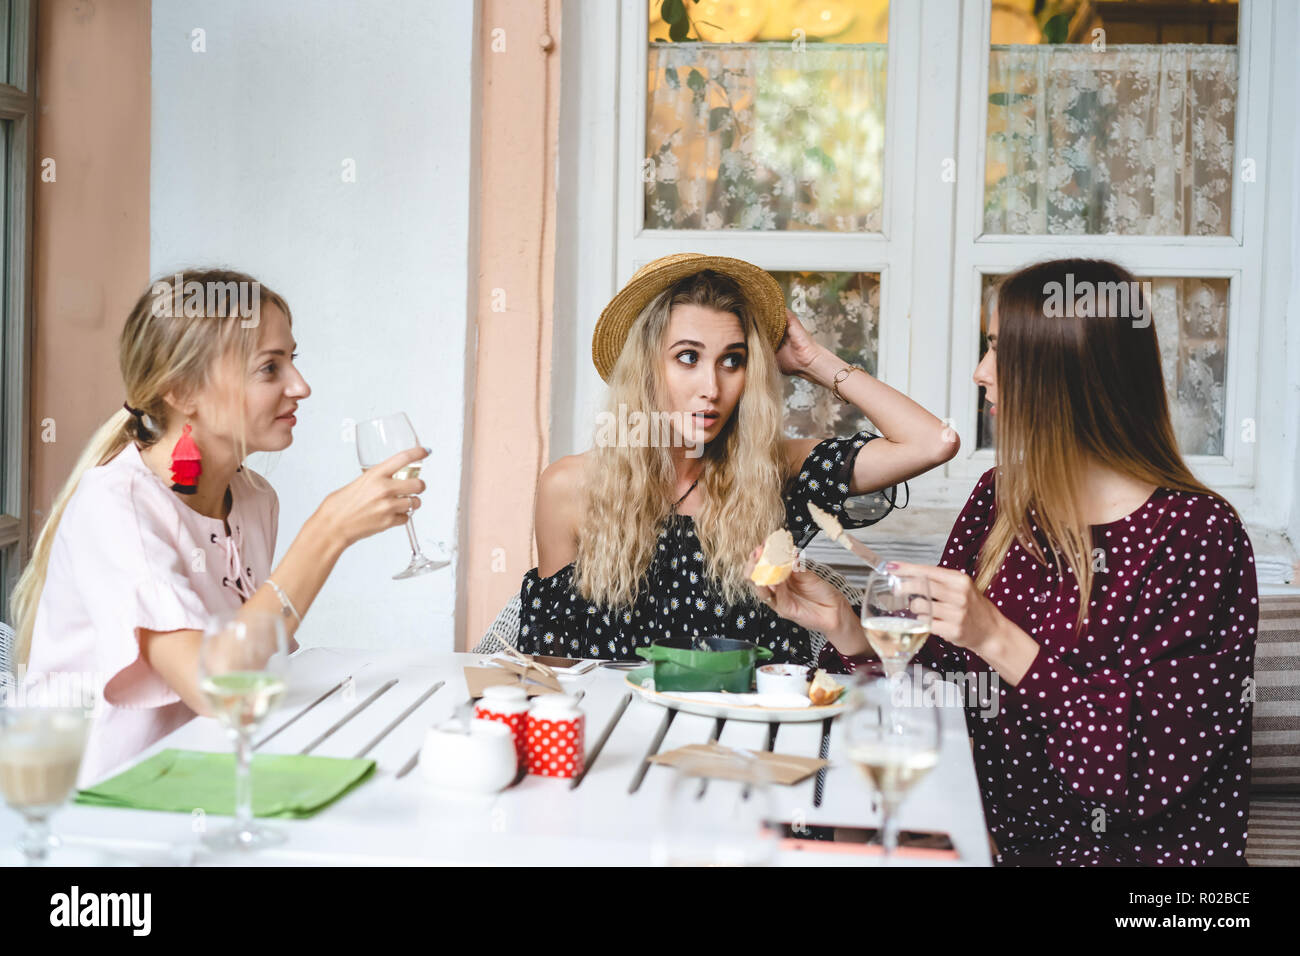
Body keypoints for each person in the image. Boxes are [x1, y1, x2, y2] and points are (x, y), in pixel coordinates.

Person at [750, 258, 1257, 866]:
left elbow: (1143, 776)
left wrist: (998, 638)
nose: (981, 372)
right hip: (988, 843)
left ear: (1065, 374)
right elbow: (937, 679)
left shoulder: (1196, 536)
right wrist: (851, 633)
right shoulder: (1000, 498)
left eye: (999, 350)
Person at [11, 269, 429, 785]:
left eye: (291, 360)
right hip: (100, 807)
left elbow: (254, 667)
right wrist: (328, 532)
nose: (301, 386)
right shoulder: (117, 508)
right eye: (269, 368)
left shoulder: (255, 500)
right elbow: (218, 687)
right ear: (183, 390)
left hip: (202, 779)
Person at [518, 253, 959, 667]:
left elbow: (932, 442)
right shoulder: (569, 487)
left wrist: (813, 361)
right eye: (687, 357)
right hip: (626, 736)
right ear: (646, 367)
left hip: (758, 739)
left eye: (732, 360)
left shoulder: (775, 471)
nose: (711, 386)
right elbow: (553, 663)